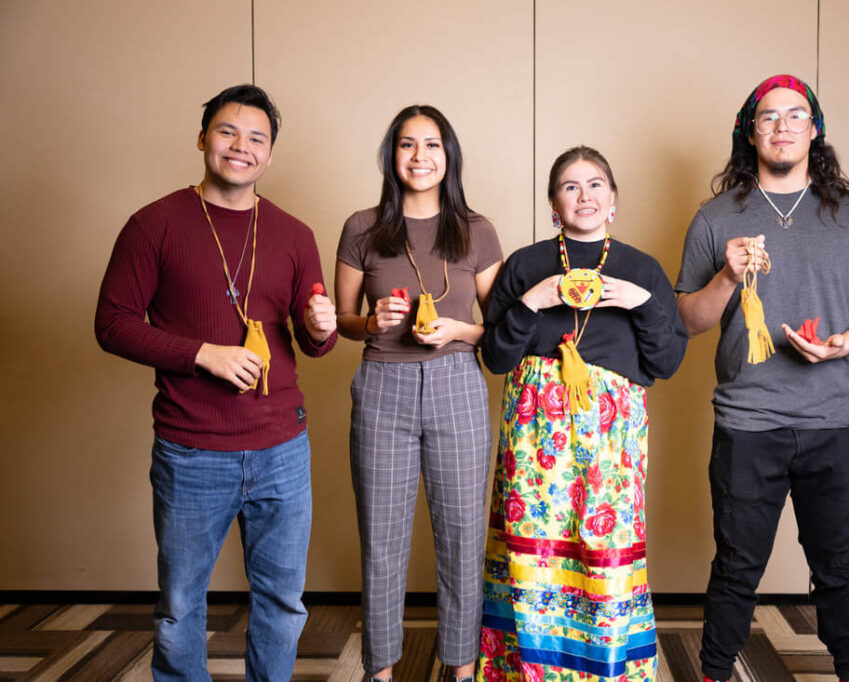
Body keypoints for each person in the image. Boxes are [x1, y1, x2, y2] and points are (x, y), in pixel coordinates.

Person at [95, 84, 338, 680]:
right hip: (191, 449)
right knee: (181, 607)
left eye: (257, 138)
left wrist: (321, 327)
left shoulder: (294, 233)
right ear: (202, 139)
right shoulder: (153, 224)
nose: (241, 146)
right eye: (227, 132)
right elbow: (112, 323)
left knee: (282, 602)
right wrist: (202, 353)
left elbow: (314, 342)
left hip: (283, 446)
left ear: (270, 154)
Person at [675, 74, 849, 682]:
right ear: (749, 132)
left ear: (816, 130)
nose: (783, 127)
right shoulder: (714, 218)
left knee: (838, 564)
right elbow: (688, 320)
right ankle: (714, 672)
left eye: (796, 116)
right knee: (736, 564)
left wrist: (843, 345)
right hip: (748, 424)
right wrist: (726, 276)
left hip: (836, 419)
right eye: (768, 117)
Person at [478, 146, 687, 681]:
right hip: (535, 436)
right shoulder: (527, 264)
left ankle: (608, 669)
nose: (585, 196)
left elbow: (666, 362)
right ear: (554, 205)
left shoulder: (642, 268)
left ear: (613, 200)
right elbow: (496, 358)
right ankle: (526, 669)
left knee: (605, 547)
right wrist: (532, 302)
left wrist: (641, 301)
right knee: (534, 554)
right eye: (570, 187)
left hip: (612, 437)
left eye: (596, 185)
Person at [334, 105, 503, 682]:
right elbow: (340, 322)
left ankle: (461, 668)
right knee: (382, 541)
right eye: (408, 145)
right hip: (384, 384)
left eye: (432, 145)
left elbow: (502, 329)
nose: (420, 157)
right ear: (392, 155)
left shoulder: (477, 230)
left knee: (460, 540)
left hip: (457, 383)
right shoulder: (361, 227)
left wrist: (458, 330)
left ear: (449, 155)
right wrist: (373, 321)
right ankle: (379, 670)